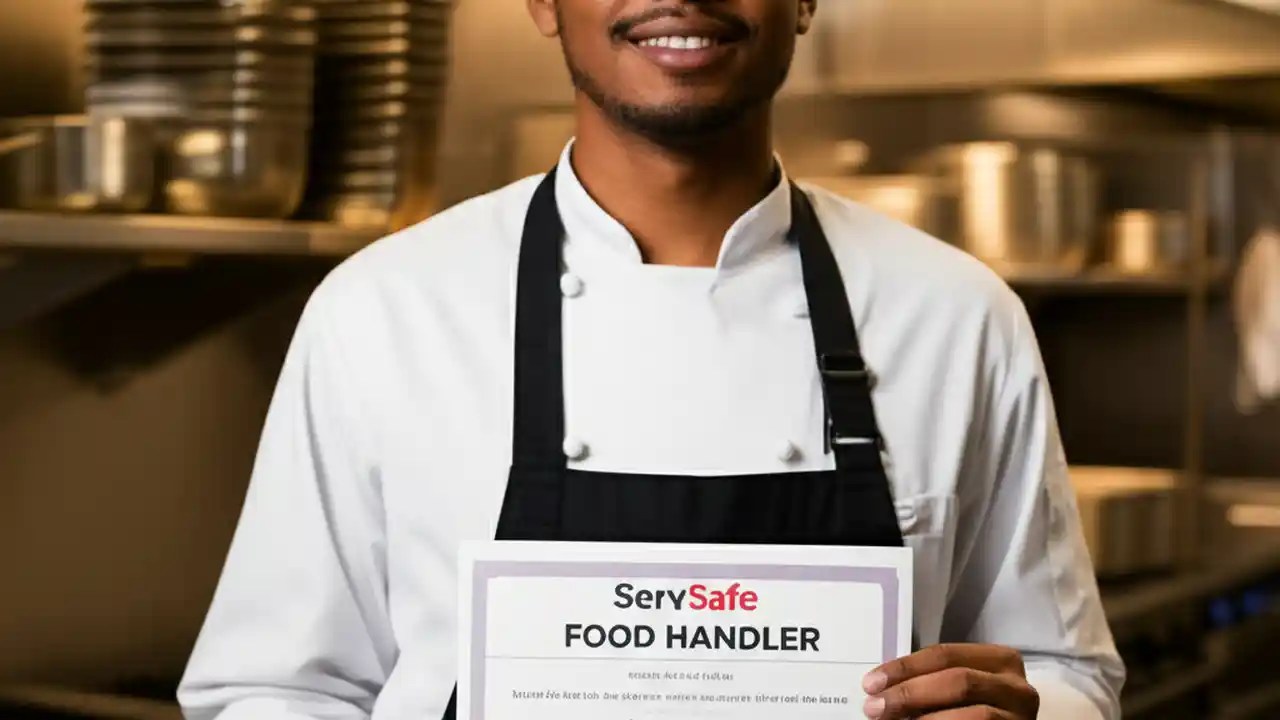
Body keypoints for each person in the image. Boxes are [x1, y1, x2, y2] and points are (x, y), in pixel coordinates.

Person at [178, 1, 1125, 719]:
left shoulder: (958, 315)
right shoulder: (382, 311)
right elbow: (273, 686)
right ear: (542, 0)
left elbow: (1068, 672)